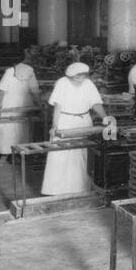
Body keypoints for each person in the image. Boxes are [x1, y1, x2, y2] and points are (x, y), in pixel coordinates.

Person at [41, 61, 114, 196]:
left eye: (82, 76)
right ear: (70, 75)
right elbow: (58, 106)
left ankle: (80, 189)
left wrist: (105, 118)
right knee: (60, 154)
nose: (80, 79)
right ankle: (55, 190)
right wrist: (55, 125)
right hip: (65, 121)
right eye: (76, 76)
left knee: (81, 156)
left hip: (83, 122)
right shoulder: (62, 83)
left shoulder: (88, 84)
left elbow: (96, 103)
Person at [0, 60, 42, 164]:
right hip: (8, 103)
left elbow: (34, 89)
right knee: (6, 131)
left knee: (22, 130)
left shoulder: (30, 72)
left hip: (24, 103)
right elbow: (1, 90)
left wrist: (39, 103)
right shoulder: (9, 72)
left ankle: (20, 153)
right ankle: (4, 154)